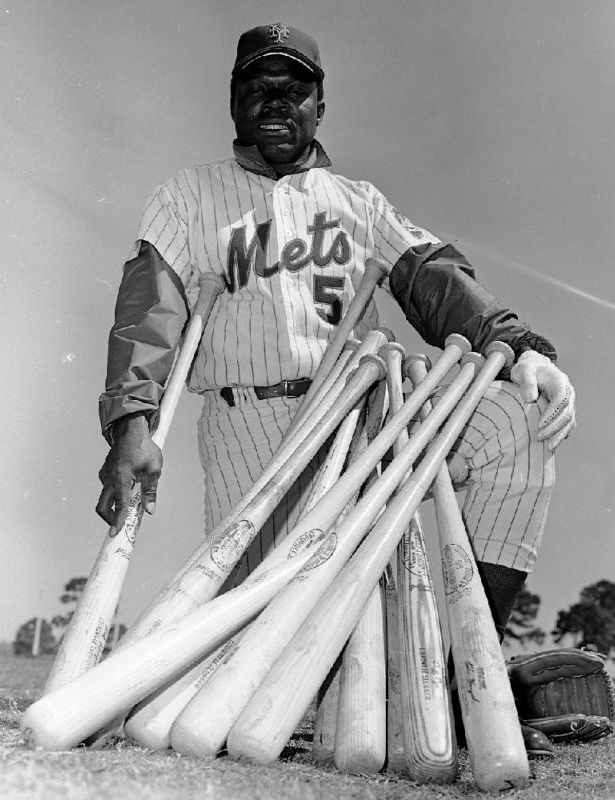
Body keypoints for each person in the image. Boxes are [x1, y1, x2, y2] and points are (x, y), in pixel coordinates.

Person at [96, 23, 576, 756]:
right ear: (233, 102)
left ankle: (458, 684)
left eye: (295, 89)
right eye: (258, 88)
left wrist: (518, 347)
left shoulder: (358, 202)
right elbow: (151, 310)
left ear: (320, 105)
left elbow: (434, 279)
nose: (277, 102)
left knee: (517, 421)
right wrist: (132, 421)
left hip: (358, 422)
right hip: (246, 429)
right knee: (257, 664)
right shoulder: (187, 196)